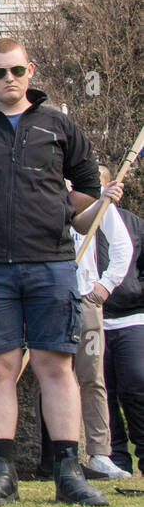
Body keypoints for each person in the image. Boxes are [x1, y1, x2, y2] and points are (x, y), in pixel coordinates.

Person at [0, 37, 120, 506]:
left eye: (17, 71)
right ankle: (1, 474)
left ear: (31, 71)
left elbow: (84, 200)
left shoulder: (61, 126)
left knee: (56, 367)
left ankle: (69, 472)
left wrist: (99, 203)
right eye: (0, 72)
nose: (10, 80)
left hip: (52, 263)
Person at [34, 165, 135, 480]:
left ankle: (99, 454)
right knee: (49, 376)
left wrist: (104, 286)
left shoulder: (89, 194)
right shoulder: (37, 188)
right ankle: (54, 458)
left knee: (92, 377)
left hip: (84, 300)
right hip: (47, 298)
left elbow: (122, 246)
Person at [101, 173, 144, 477]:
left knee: (135, 384)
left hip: (132, 319)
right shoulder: (75, 224)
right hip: (94, 320)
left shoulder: (133, 224)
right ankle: (115, 459)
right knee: (103, 391)